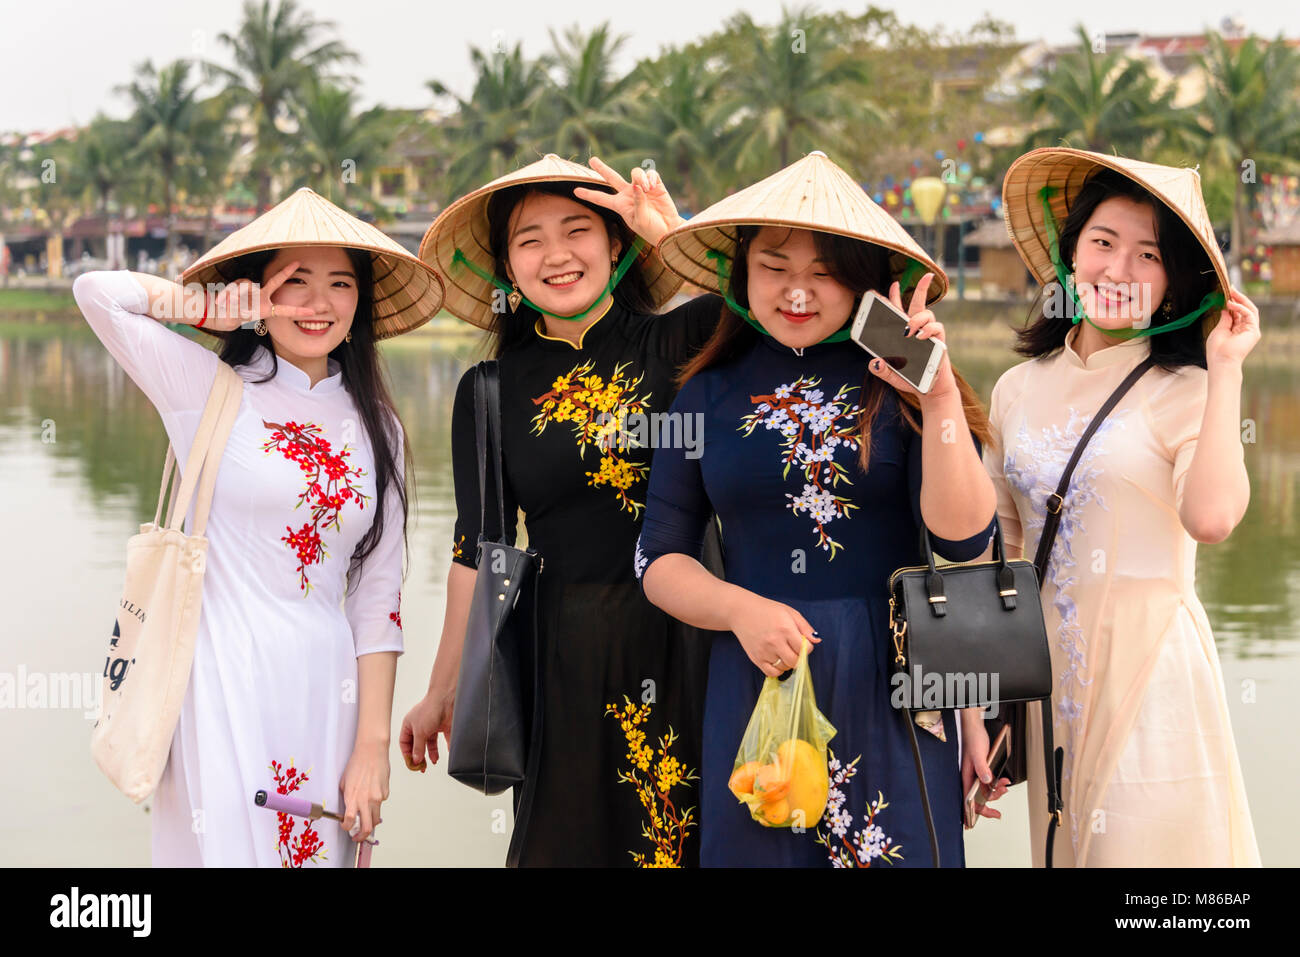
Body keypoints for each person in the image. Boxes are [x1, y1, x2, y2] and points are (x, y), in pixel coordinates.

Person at [634, 151, 1001, 867]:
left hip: (898, 689)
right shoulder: (703, 393)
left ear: (864, 283)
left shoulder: (904, 387)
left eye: (825, 272)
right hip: (756, 682)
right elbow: (657, 556)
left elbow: (964, 541)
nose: (797, 291)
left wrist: (939, 394)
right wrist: (739, 609)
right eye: (775, 267)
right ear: (743, 274)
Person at [73, 187, 445, 867]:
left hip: (324, 689)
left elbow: (377, 597)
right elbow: (95, 291)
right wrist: (208, 309)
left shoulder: (378, 427)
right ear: (258, 291)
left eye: (339, 283)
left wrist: (371, 746)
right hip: (216, 681)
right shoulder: (204, 387)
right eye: (292, 281)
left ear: (360, 301)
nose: (318, 302)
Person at [402, 154, 723, 867]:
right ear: (506, 270)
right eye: (529, 239)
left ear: (616, 245)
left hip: (689, 643)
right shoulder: (489, 391)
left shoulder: (677, 346)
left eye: (577, 229)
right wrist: (440, 688)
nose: (556, 254)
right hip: (560, 660)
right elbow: (476, 550)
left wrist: (669, 233)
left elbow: (765, 303)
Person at [992, 148, 1262, 866]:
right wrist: (984, 701)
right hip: (1046, 685)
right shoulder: (1016, 388)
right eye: (1103, 243)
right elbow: (1001, 558)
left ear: (1174, 285)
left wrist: (1226, 369)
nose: (1118, 270)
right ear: (1071, 250)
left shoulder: (1185, 390)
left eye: (1149, 255)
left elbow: (1213, 519)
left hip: (1150, 680)